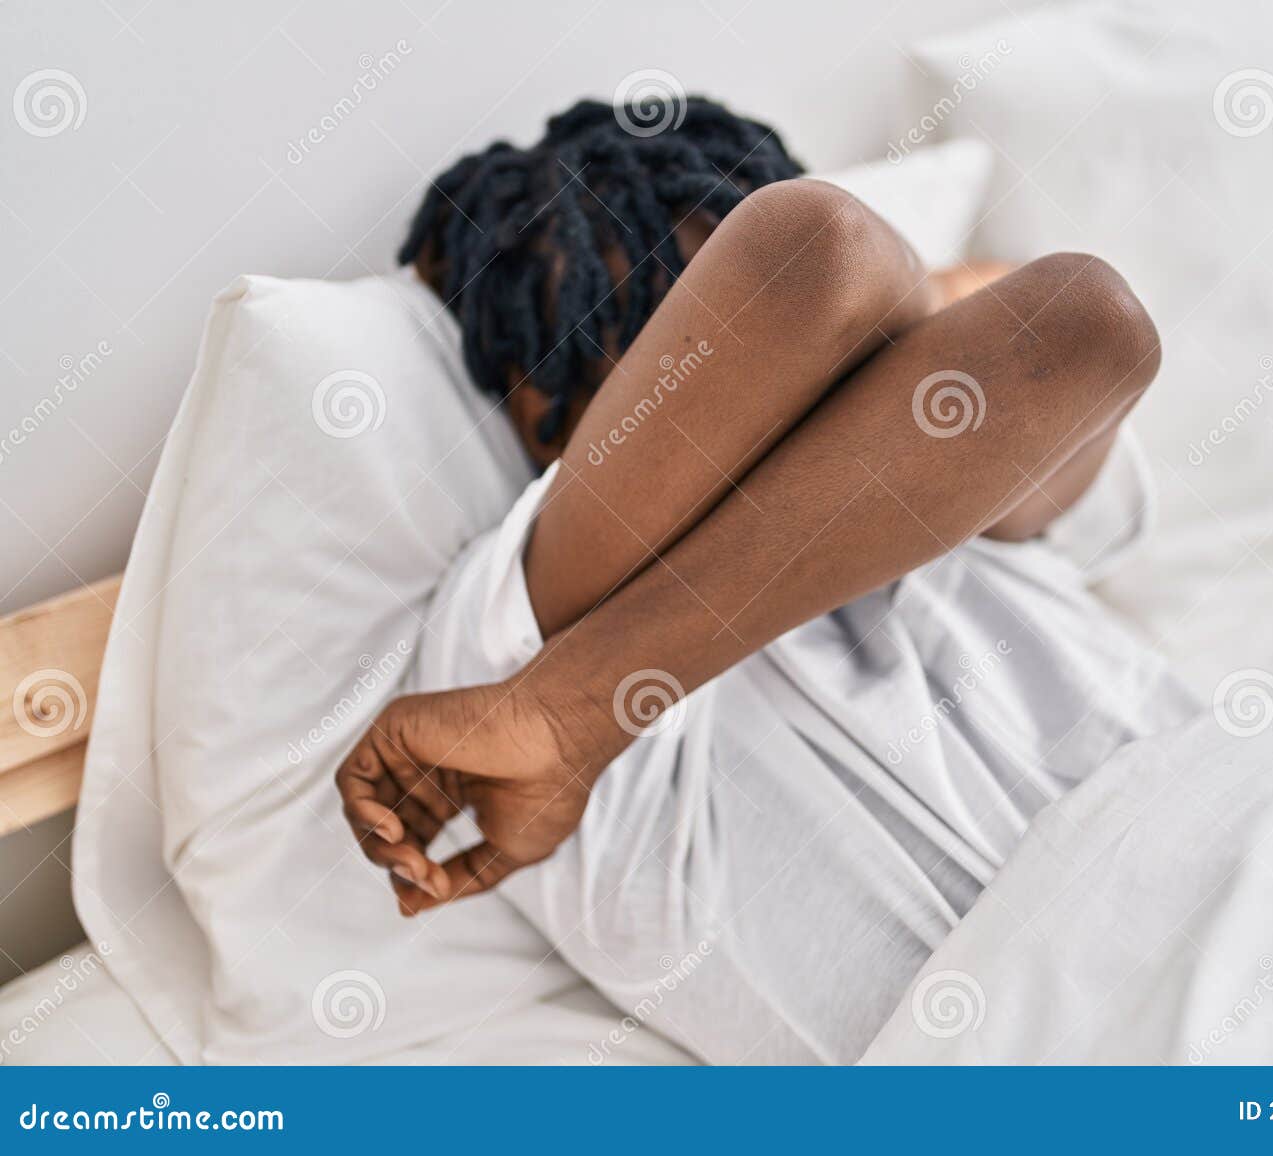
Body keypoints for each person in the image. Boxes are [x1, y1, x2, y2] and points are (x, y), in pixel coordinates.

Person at [335, 96, 1197, 1062]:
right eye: (636, 334)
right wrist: (573, 712)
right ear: (547, 416)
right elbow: (813, 258)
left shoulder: (976, 485)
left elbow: (1086, 322)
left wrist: (895, 347)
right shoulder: (517, 642)